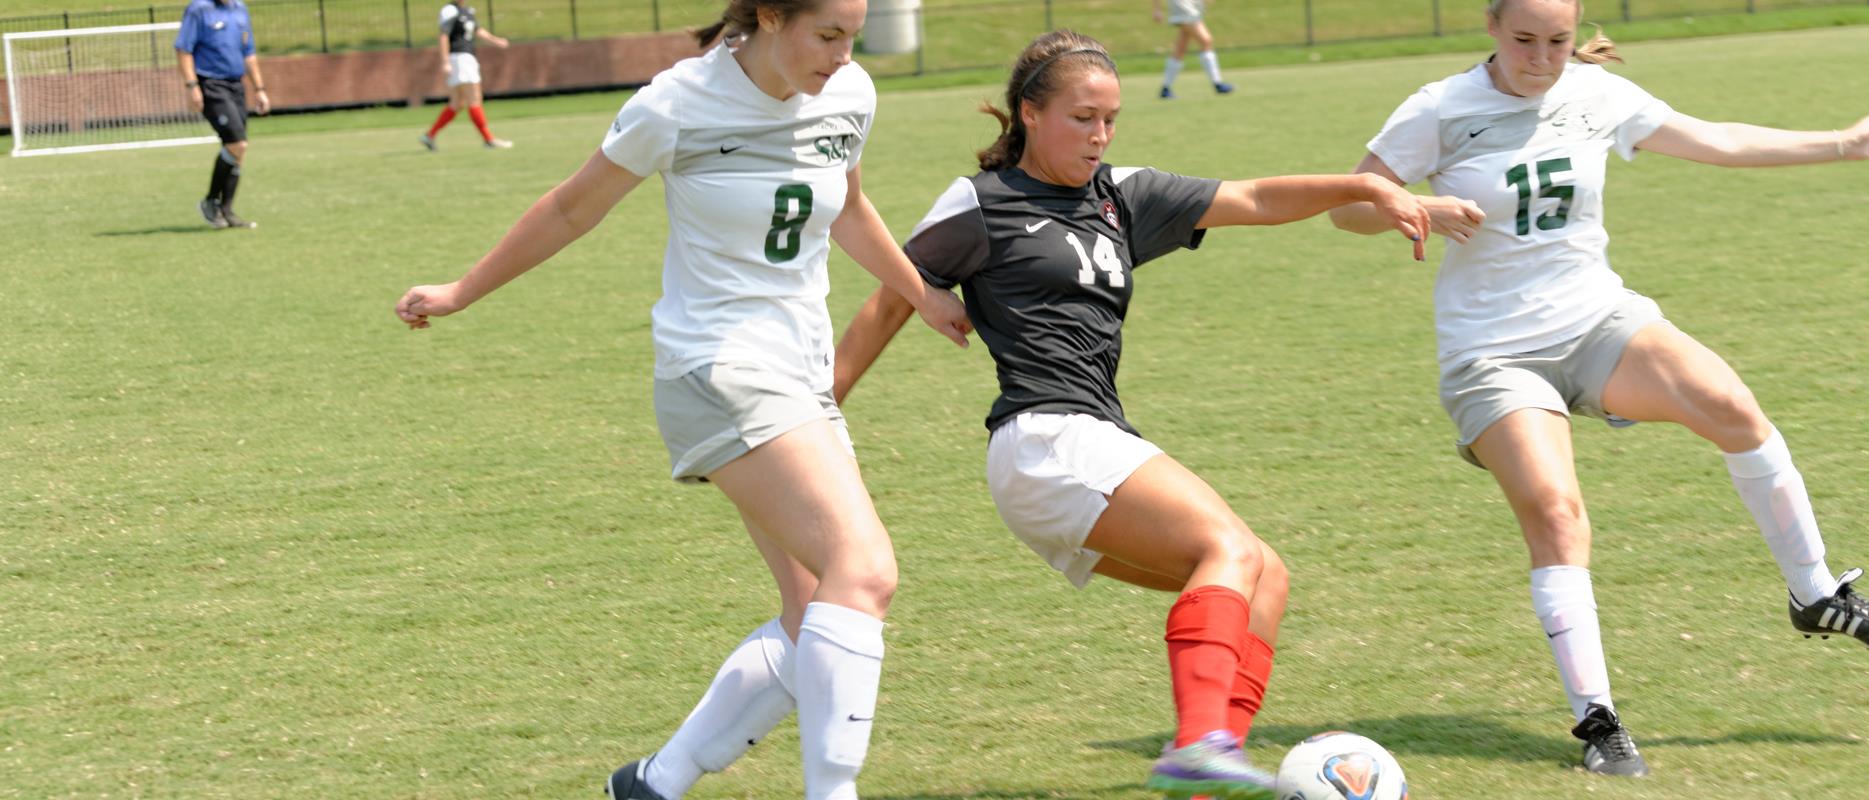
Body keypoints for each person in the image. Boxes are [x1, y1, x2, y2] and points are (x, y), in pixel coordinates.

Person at [392, 0, 973, 797]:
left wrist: (922, 294)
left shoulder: (850, 93)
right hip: (719, 367)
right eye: (828, 35)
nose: (843, 56)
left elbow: (851, 209)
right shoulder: (677, 102)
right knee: (863, 572)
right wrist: (461, 290)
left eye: (854, 38)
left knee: (816, 614)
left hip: (798, 374)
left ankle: (655, 782)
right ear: (770, 16)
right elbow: (572, 206)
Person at [1326, 0, 1869, 778]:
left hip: (1599, 322)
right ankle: (1599, 723)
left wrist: (1840, 143)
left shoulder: (1596, 95)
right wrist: (1415, 207)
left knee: (1735, 409)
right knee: (1559, 515)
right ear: (1492, 28)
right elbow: (1345, 207)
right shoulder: (1440, 107)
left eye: (1559, 42)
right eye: (1524, 41)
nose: (1540, 59)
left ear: (1577, 35)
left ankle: (1815, 592)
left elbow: (1717, 140)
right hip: (1493, 353)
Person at [832, 30, 1429, 800]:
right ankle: (1197, 746)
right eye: (1083, 118)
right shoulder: (983, 202)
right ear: (1030, 115)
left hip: (1087, 447)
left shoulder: (1121, 197)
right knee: (1228, 550)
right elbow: (890, 298)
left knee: (1264, 578)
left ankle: (1208, 770)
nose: (1100, 134)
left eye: (1110, 118)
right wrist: (822, 408)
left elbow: (1251, 198)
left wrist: (1362, 188)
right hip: (1047, 437)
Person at [175, 0, 267, 229]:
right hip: (211, 84)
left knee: (238, 149)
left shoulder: (240, 9)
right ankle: (209, 201)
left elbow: (249, 52)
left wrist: (260, 89)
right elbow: (184, 49)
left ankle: (226, 210)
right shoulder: (199, 9)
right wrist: (192, 86)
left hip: (236, 85)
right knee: (237, 143)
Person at [419, 0, 513, 150]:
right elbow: (443, 36)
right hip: (460, 58)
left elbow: (477, 30)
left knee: (457, 103)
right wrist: (445, 61)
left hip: (466, 59)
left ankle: (429, 136)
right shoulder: (449, 10)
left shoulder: (467, 11)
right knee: (474, 99)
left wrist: (496, 40)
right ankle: (489, 139)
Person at [1151, 0, 1231, 98]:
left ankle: (1165, 89)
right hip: (1182, 5)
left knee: (1181, 48)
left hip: (1193, 4)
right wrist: (1156, 9)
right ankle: (1217, 84)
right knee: (1206, 40)